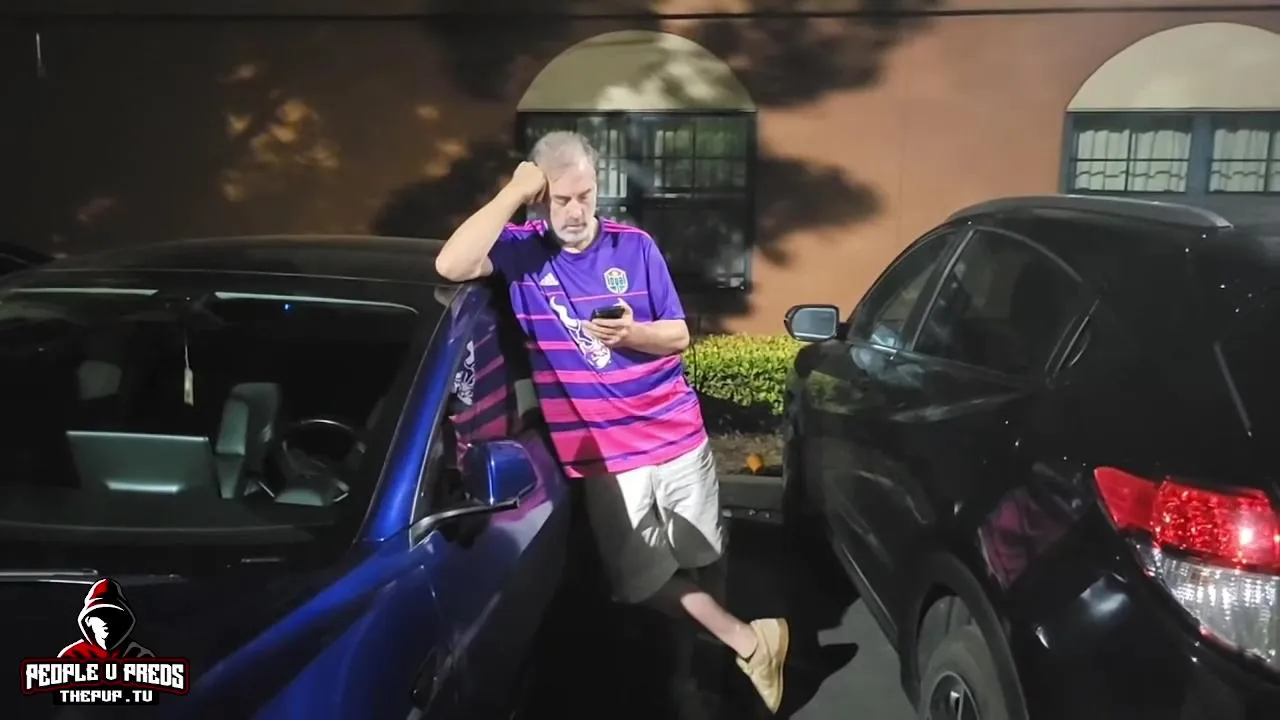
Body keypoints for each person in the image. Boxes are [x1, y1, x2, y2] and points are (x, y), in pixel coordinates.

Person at [435, 131, 789, 712]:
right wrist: (515, 190)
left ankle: (703, 683)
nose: (577, 211)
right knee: (638, 583)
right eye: (561, 199)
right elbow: (451, 263)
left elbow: (677, 335)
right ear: (540, 198)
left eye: (586, 195)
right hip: (601, 454)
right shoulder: (521, 252)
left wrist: (632, 334)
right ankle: (749, 642)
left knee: (703, 559)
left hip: (674, 434)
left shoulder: (634, 246)